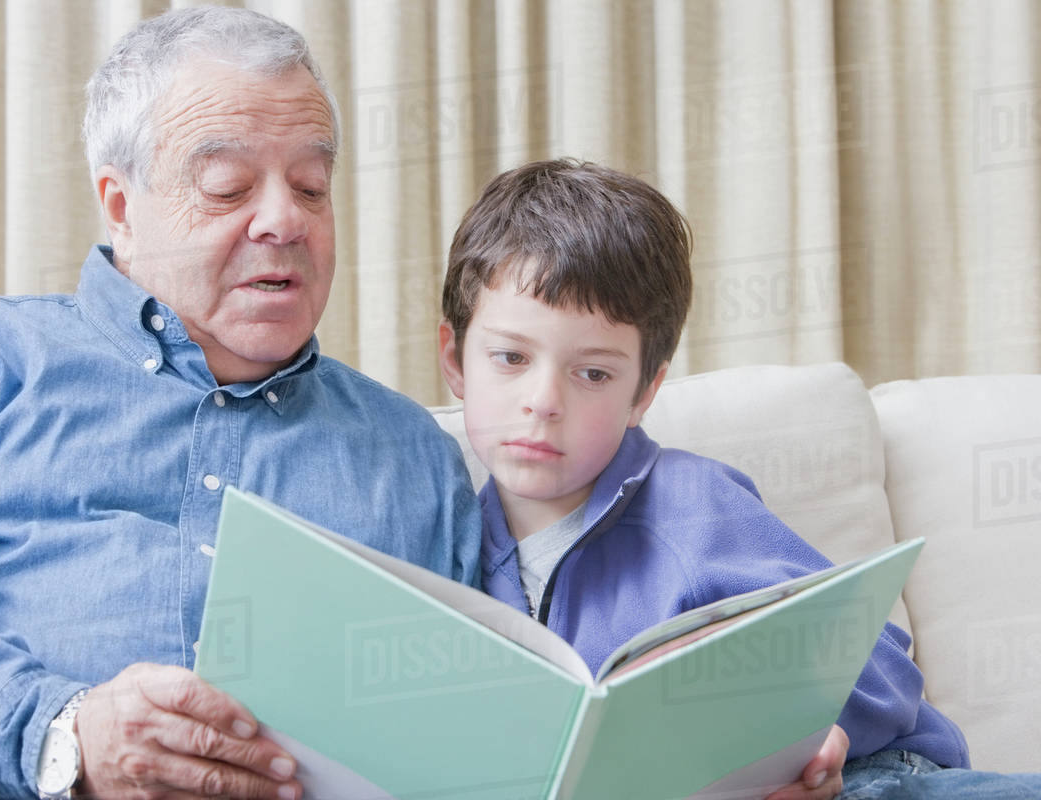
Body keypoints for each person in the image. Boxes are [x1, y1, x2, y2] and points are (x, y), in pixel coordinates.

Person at [0, 7, 481, 800]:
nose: (286, 220)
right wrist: (60, 736)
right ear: (120, 206)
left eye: (311, 187)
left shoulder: (413, 456)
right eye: (228, 187)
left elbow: (480, 728)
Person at [437, 158, 1041, 799]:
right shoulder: (452, 554)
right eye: (511, 358)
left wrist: (813, 730)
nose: (542, 401)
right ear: (456, 360)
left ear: (643, 393)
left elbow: (883, 672)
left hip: (874, 778)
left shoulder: (692, 503)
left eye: (593, 374)